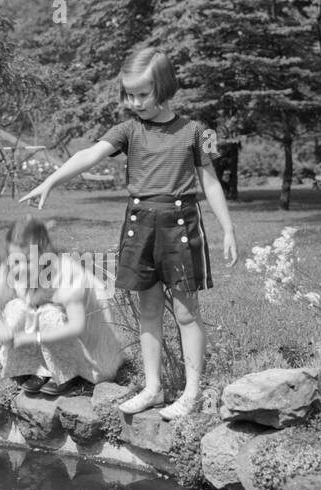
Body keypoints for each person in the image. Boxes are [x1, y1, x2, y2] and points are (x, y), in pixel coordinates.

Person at [20, 45, 237, 419]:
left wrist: (228, 229)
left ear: (165, 89)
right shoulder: (128, 130)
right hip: (140, 225)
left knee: (187, 312)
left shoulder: (197, 132)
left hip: (181, 225)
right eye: (129, 94)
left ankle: (192, 393)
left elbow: (211, 182)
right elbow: (89, 155)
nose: (134, 102)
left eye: (142, 94)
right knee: (149, 310)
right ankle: (153, 389)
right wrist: (51, 181)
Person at [0, 214, 125, 398]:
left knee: (49, 314)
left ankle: (70, 376)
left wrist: (32, 338)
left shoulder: (65, 273)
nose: (21, 267)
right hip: (59, 340)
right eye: (15, 260)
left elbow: (76, 326)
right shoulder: (12, 272)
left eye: (28, 260)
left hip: (92, 350)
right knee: (15, 308)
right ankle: (39, 369)